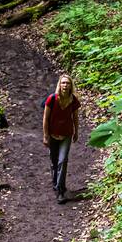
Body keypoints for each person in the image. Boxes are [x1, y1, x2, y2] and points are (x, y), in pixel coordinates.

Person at [43, 74, 80, 204]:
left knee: (62, 161)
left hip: (66, 135)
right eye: (63, 83)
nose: (65, 85)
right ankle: (56, 182)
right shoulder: (51, 99)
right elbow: (45, 119)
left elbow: (75, 117)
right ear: (60, 84)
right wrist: (46, 135)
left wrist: (76, 131)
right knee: (54, 161)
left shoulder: (73, 100)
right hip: (52, 135)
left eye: (68, 83)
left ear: (71, 86)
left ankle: (60, 191)